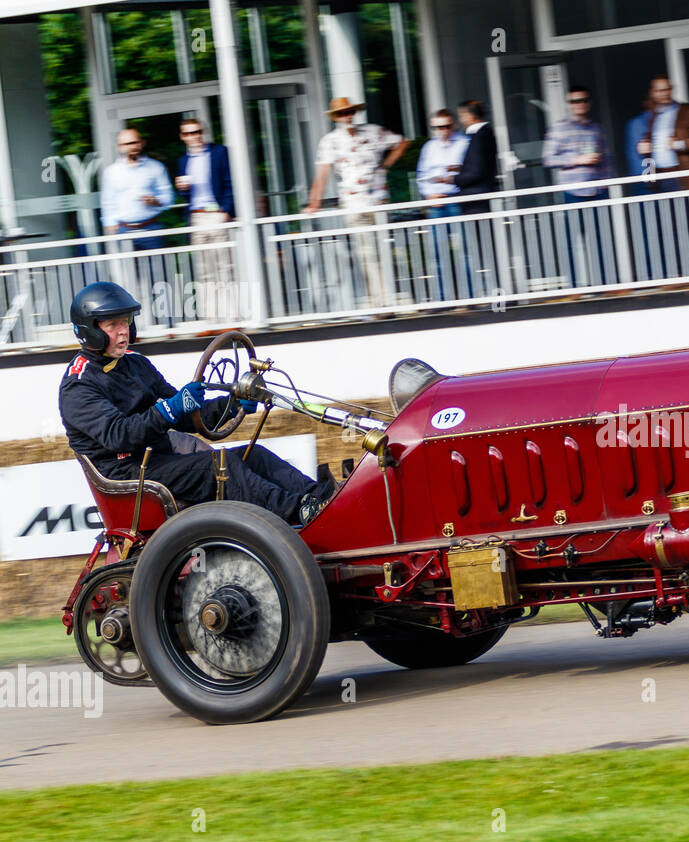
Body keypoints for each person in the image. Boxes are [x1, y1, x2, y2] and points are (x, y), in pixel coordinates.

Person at [58, 282, 333, 525]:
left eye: (125, 322)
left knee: (255, 455)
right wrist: (170, 408)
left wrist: (232, 404)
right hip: (128, 477)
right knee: (221, 467)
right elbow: (120, 434)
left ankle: (322, 500)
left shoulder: (136, 363)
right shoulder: (78, 385)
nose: (123, 332)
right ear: (90, 330)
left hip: (158, 460)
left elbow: (187, 416)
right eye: (112, 325)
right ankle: (299, 512)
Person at [304, 96, 409, 309]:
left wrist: (385, 165)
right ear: (336, 117)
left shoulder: (372, 131)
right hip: (353, 202)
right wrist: (313, 202)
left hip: (378, 200)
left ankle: (389, 296)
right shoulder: (330, 141)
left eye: (349, 112)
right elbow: (321, 174)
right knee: (366, 251)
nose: (347, 116)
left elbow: (402, 142)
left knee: (384, 249)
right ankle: (381, 300)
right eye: (342, 114)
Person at [100, 128, 174, 303]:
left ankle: (168, 324)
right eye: (126, 144)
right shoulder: (111, 172)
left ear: (141, 143)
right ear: (119, 147)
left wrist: (155, 201)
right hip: (124, 230)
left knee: (160, 277)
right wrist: (111, 226)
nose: (131, 147)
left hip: (151, 228)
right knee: (129, 281)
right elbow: (107, 201)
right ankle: (138, 324)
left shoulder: (155, 168)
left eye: (134, 142)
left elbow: (168, 198)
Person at [175, 118, 235, 319]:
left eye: (197, 132)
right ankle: (212, 317)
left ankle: (231, 315)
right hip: (197, 217)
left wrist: (225, 210)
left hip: (216, 214)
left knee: (224, 267)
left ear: (203, 132)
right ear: (183, 137)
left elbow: (230, 182)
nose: (195, 136)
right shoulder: (183, 161)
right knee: (204, 271)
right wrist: (182, 189)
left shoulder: (219, 152)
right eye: (189, 133)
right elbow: (185, 196)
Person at [451, 100, 500, 297]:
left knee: (484, 249)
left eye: (462, 115)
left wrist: (454, 178)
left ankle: (494, 292)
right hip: (476, 201)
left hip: (476, 202)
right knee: (483, 248)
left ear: (471, 116)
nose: (461, 119)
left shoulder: (480, 136)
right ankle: (492, 291)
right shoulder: (483, 134)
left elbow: (478, 171)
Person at [637, 75, 689, 190]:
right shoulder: (652, 115)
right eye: (659, 91)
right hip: (661, 177)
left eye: (667, 89)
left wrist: (679, 144)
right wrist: (644, 149)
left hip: (684, 176)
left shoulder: (688, 111)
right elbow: (653, 147)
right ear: (652, 93)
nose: (664, 93)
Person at [542, 85, 612, 201]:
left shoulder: (596, 128)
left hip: (598, 190)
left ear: (590, 103)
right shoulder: (559, 128)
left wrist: (606, 182)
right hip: (572, 191)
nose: (580, 104)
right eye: (575, 101)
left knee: (604, 219)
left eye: (584, 100)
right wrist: (576, 160)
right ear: (569, 104)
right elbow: (548, 159)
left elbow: (607, 158)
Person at [416, 109, 468, 218]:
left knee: (464, 234)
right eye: (439, 127)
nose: (444, 130)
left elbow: (470, 171)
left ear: (453, 125)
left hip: (458, 199)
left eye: (447, 126)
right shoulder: (429, 147)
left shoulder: (464, 143)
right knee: (438, 235)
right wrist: (429, 195)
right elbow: (422, 174)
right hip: (436, 203)